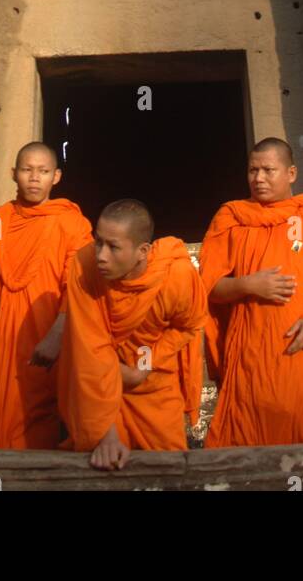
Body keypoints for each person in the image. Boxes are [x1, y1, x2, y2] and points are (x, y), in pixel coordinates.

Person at [199, 137, 303, 453]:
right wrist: (248, 285)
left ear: (291, 173)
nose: (258, 178)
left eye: (268, 170)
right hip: (251, 361)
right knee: (247, 450)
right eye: (252, 170)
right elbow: (206, 287)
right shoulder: (231, 219)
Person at [57, 198, 208, 470]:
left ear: (143, 251)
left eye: (113, 247)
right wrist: (105, 433)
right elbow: (89, 349)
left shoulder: (176, 276)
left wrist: (145, 365)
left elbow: (190, 324)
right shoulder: (85, 267)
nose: (101, 255)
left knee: (169, 470)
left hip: (155, 388)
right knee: (102, 469)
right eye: (98, 241)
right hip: (98, 387)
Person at [0, 141, 92, 449]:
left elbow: (77, 284)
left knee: (36, 415)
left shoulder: (71, 223)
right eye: (26, 170)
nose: (34, 178)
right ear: (13, 174)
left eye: (43, 171)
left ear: (57, 177)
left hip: (45, 332)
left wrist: (58, 333)